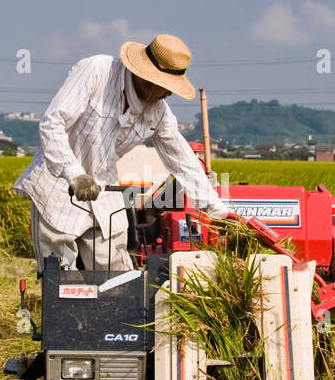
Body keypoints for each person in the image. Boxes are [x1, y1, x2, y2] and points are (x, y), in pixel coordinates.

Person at [14, 33, 232, 273]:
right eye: (166, 87)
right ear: (146, 78)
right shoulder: (97, 72)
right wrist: (74, 173)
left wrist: (216, 210)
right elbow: (53, 122)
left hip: (104, 190)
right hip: (57, 189)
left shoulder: (158, 112)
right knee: (60, 279)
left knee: (118, 277)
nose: (169, 94)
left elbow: (182, 159)